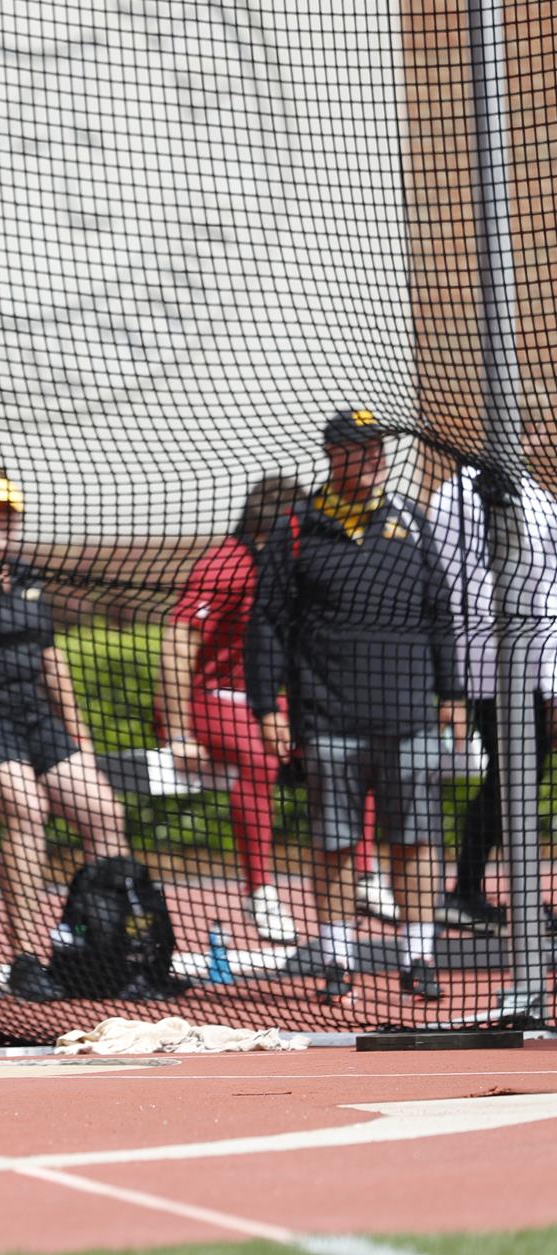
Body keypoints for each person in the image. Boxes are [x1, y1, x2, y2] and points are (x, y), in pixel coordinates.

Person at [247, 408, 467, 1002]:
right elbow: (266, 623)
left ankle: (418, 954)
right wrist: (267, 706)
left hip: (409, 718)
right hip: (328, 719)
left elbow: (440, 616)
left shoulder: (411, 524)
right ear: (332, 454)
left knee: (417, 842)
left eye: (377, 450)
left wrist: (453, 694)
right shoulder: (297, 527)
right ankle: (337, 960)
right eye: (358, 450)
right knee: (336, 844)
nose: (371, 459)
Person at [0, 467, 128, 1003]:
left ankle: (95, 945)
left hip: (33, 717)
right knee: (27, 807)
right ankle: (25, 957)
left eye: (8, 515)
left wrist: (78, 739)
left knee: (105, 814)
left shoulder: (31, 578)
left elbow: (51, 661)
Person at [426, 420, 557, 934]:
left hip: (505, 664)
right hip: (504, 665)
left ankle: (491, 890)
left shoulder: (530, 497)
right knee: (515, 779)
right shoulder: (476, 496)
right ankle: (477, 890)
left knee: (516, 779)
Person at [158, 476, 302, 944]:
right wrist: (178, 733)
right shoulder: (225, 564)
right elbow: (176, 645)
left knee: (342, 745)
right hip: (212, 699)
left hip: (268, 699)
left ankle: (364, 873)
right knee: (261, 759)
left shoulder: (290, 567)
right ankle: (260, 890)